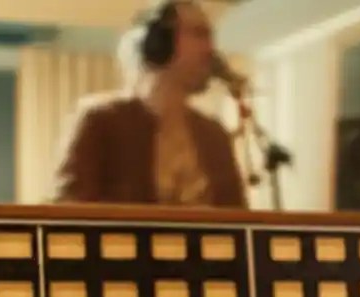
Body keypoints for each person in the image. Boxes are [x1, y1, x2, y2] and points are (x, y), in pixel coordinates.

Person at [49, 0, 248, 208]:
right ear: (159, 44)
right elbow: (68, 213)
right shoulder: (99, 120)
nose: (210, 50)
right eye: (199, 34)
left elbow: (238, 219)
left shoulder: (214, 135)